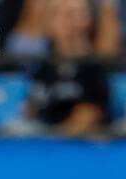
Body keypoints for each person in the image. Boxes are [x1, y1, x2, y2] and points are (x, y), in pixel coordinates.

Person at [27, 0, 111, 134]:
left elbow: (87, 117)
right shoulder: (42, 65)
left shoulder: (92, 67)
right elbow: (31, 111)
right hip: (41, 144)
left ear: (88, 20)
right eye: (59, 14)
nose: (67, 21)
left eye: (74, 14)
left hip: (76, 148)